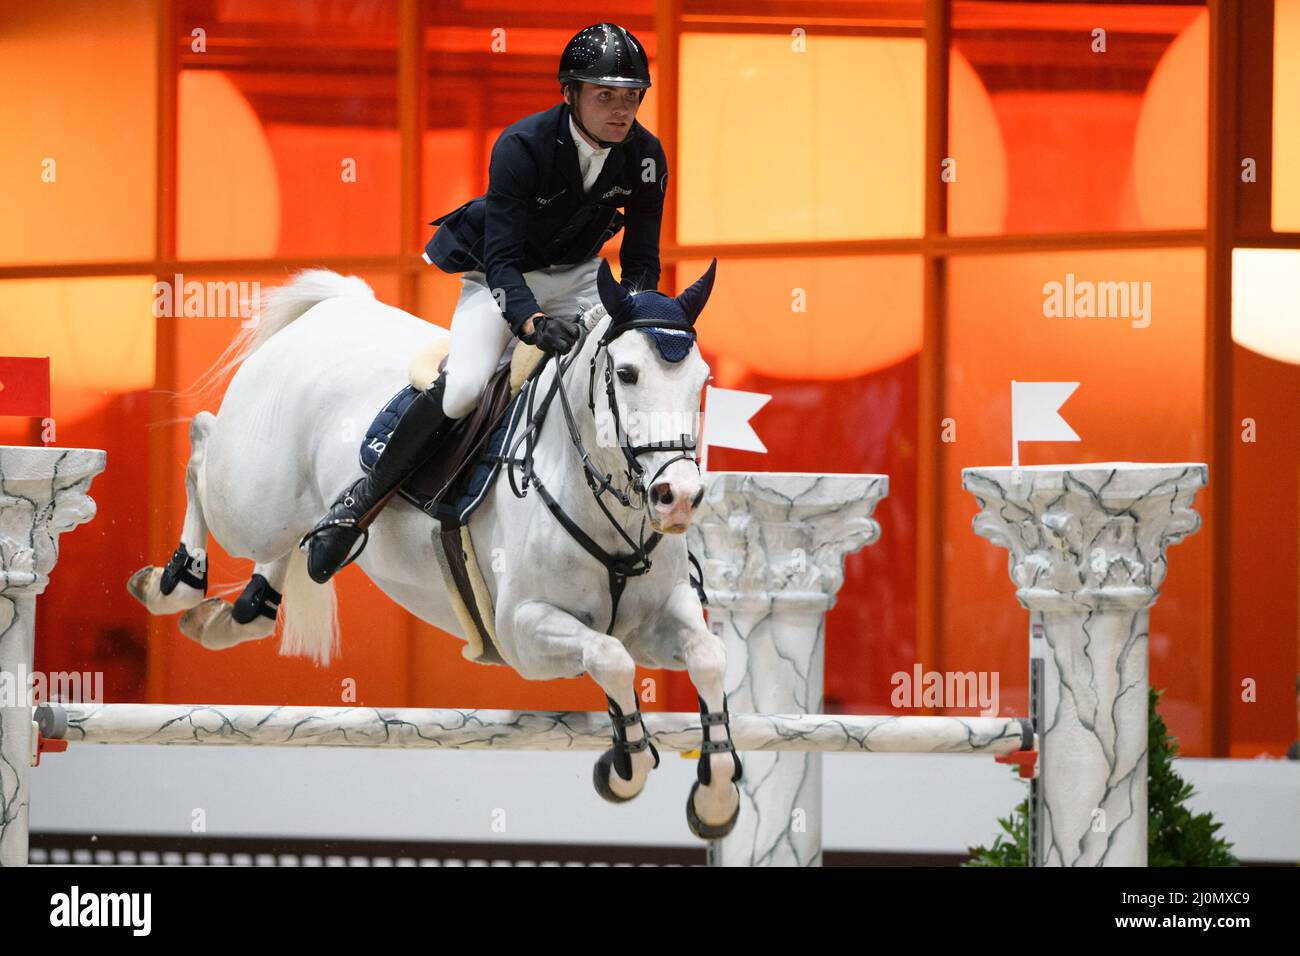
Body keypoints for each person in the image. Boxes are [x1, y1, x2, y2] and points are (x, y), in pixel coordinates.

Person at [302, 22, 669, 584]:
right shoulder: (521, 146)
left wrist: (635, 317)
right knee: (468, 386)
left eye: (630, 97)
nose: (621, 110)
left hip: (577, 276)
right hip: (499, 275)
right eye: (605, 96)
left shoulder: (645, 156)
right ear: (569, 94)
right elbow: (501, 260)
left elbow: (642, 257)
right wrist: (532, 321)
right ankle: (360, 502)